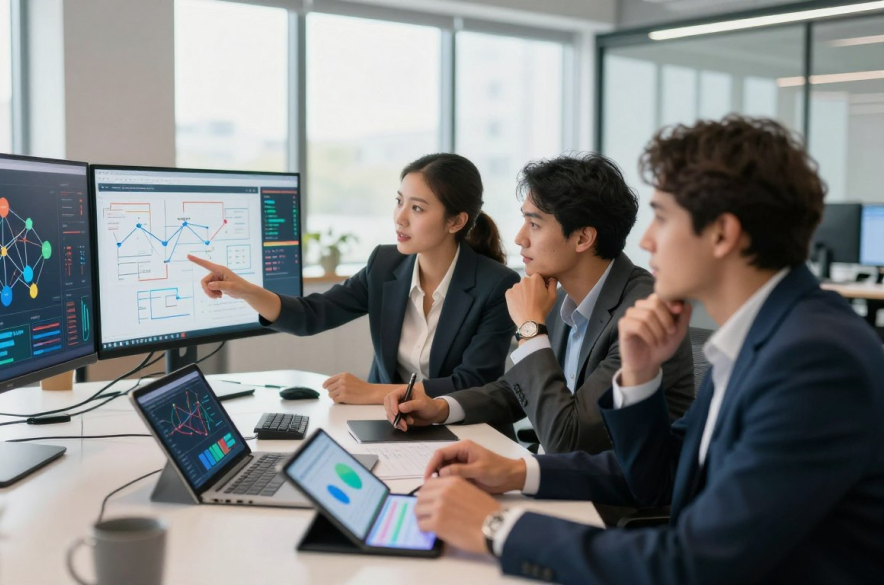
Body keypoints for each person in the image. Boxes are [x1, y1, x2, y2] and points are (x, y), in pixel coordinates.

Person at [408, 116, 884, 583]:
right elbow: (662, 476)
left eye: (662, 217)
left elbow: (698, 562)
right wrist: (518, 470)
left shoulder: (812, 358)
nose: (649, 239)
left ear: (722, 232)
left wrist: (496, 527)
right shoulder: (762, 334)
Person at [386, 154, 694, 454]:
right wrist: (440, 408)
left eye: (534, 224)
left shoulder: (641, 312)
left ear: (583, 238)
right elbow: (518, 389)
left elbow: (568, 439)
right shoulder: (563, 299)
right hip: (553, 473)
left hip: (609, 497)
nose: (520, 238)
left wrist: (530, 329)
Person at [189, 153, 519, 405]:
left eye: (417, 209)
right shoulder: (384, 264)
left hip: (467, 433)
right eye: (399, 201)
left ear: (455, 221)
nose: (400, 218)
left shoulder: (497, 284)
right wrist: (246, 291)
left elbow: (473, 383)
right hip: (392, 424)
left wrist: (374, 393)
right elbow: (311, 315)